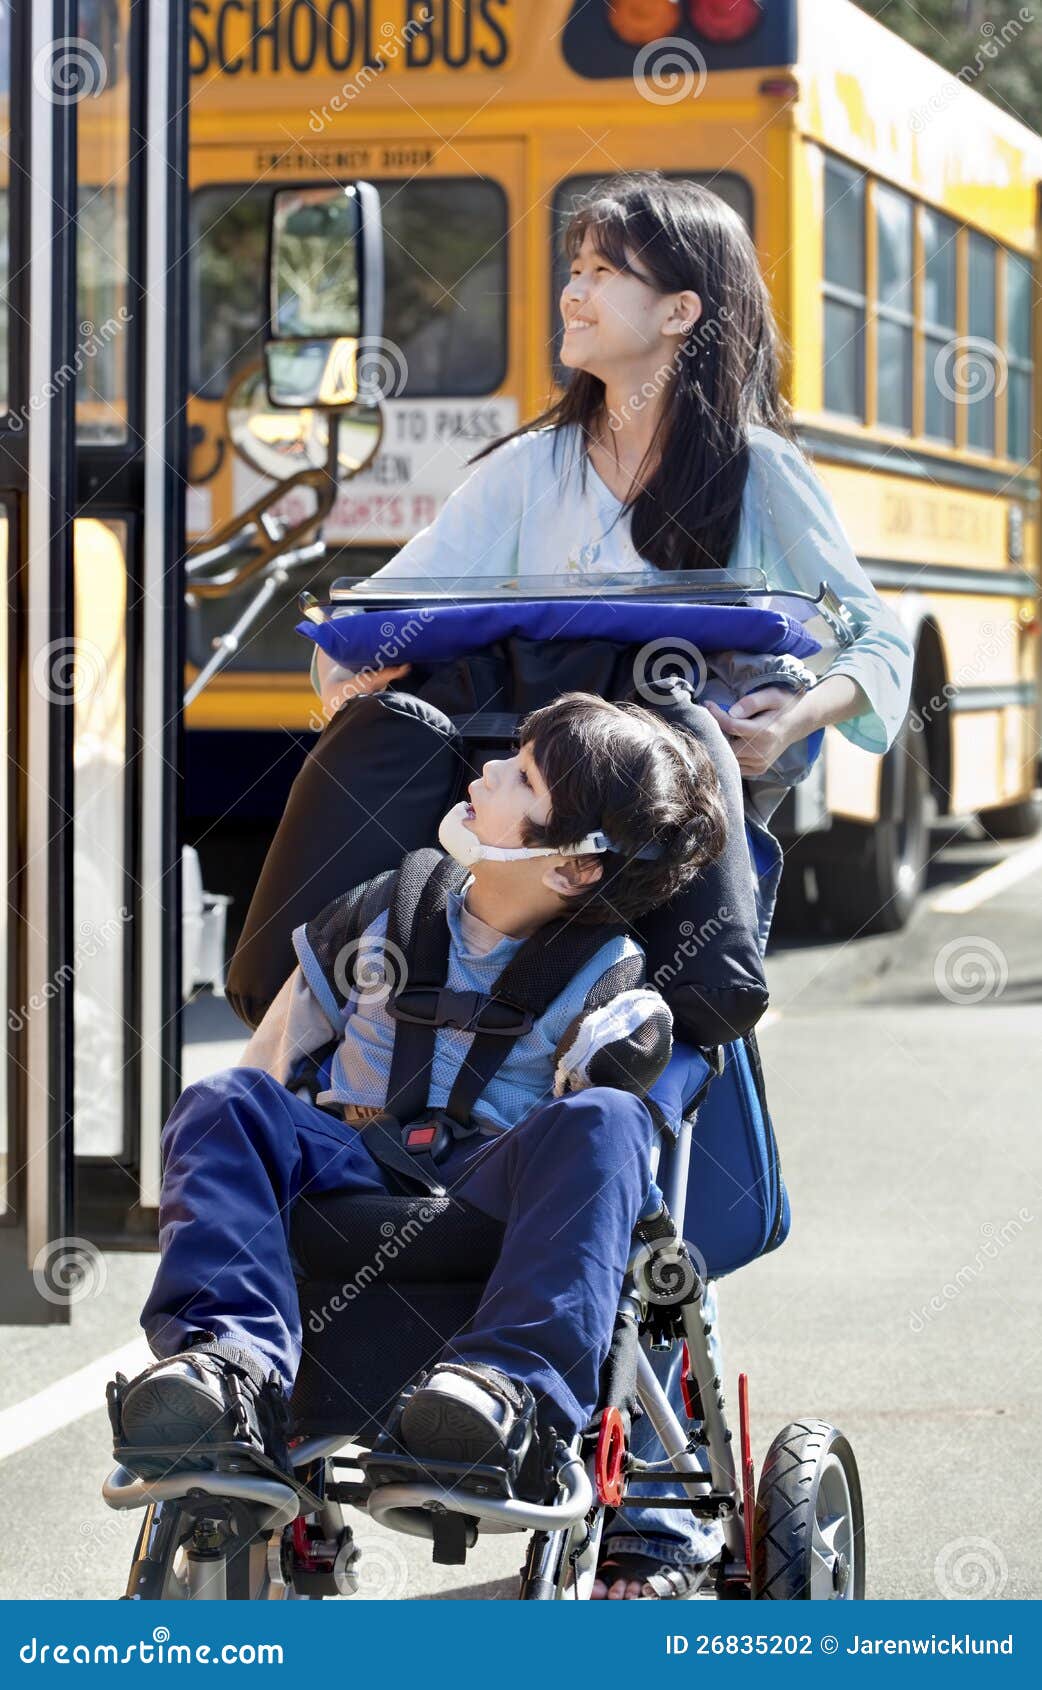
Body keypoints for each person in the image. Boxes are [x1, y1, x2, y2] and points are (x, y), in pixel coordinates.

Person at [292, 170, 915, 1597]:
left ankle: (651, 1449)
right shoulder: (521, 473)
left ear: (680, 309)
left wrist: (797, 711)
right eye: (571, 263)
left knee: (638, 1101)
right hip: (506, 847)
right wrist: (355, 662)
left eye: (600, 269)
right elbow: (396, 607)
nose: (568, 288)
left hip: (667, 857)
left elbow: (875, 645)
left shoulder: (756, 476)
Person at [109, 694, 727, 1527]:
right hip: (351, 1160)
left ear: (575, 864)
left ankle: (506, 1391)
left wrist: (618, 1061)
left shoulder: (610, 976)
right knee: (225, 1099)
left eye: (521, 778)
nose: (486, 772)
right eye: (510, 754)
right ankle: (228, 1365)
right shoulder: (383, 911)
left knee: (612, 1121)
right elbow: (274, 1058)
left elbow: (587, 1153)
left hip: (490, 1191)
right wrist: (228, 1138)